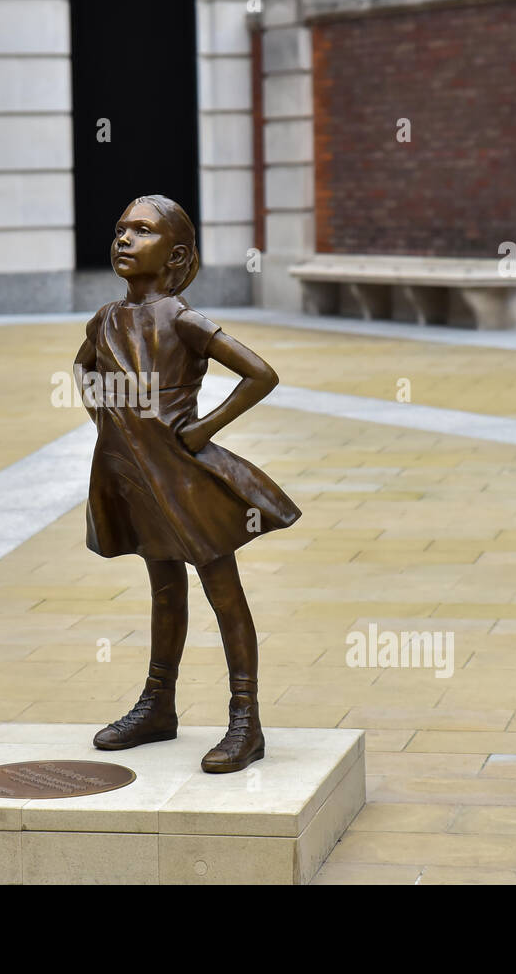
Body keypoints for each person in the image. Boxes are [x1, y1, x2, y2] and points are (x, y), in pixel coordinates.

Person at [74, 194, 301, 774]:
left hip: (184, 477)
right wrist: (106, 417)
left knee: (222, 589)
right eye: (120, 228)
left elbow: (260, 374)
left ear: (175, 254)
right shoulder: (106, 318)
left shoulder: (182, 318)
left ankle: (245, 720)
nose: (124, 239)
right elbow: (83, 367)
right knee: (164, 585)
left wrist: (201, 430)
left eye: (141, 231)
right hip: (130, 473)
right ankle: (158, 704)